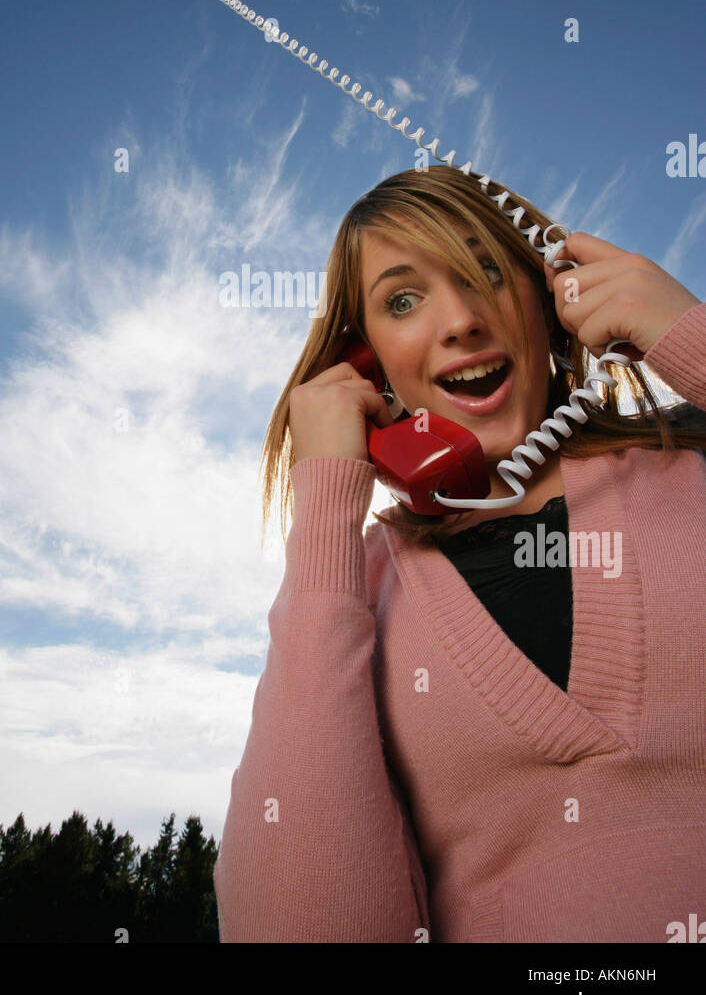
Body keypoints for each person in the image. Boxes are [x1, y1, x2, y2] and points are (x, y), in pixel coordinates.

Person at [212, 164, 706, 942]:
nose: (460, 321)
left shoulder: (692, 456)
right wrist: (325, 515)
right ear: (366, 363)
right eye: (402, 301)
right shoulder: (356, 588)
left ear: (550, 297)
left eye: (484, 270)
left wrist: (690, 337)